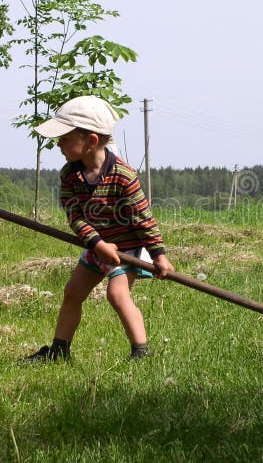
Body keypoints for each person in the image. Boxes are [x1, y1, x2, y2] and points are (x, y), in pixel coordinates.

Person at [21, 95, 174, 363]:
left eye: (65, 138)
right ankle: (59, 351)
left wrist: (159, 255)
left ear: (91, 141)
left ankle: (141, 352)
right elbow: (75, 216)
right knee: (72, 292)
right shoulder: (69, 174)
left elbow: (143, 218)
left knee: (117, 295)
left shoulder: (123, 176)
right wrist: (97, 244)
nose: (58, 144)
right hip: (95, 246)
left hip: (125, 249)